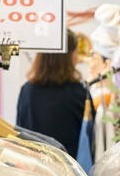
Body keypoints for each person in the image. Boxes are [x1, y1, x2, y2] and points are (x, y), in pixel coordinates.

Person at [16, 29, 90, 157]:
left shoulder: (27, 90)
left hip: (33, 168)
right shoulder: (78, 93)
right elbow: (88, 139)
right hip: (68, 169)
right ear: (69, 56)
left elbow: (20, 133)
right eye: (75, 51)